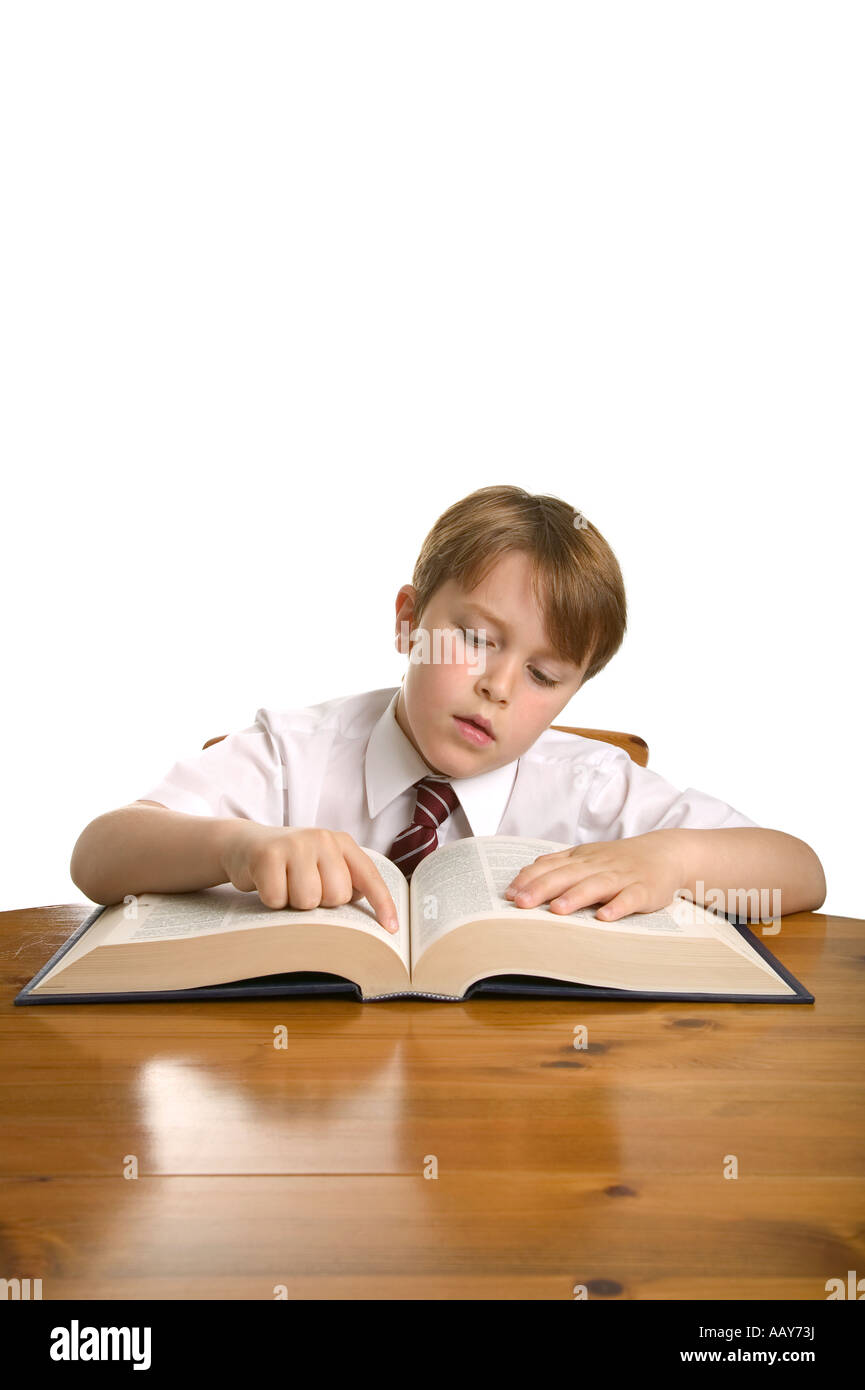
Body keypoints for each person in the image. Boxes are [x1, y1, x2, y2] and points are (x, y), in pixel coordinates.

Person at [69, 485, 826, 935]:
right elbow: (98, 855)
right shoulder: (291, 755)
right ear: (407, 621)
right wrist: (233, 846)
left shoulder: (591, 785)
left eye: (544, 673)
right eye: (474, 638)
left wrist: (673, 858)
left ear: (574, 692)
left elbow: (799, 873)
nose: (498, 685)